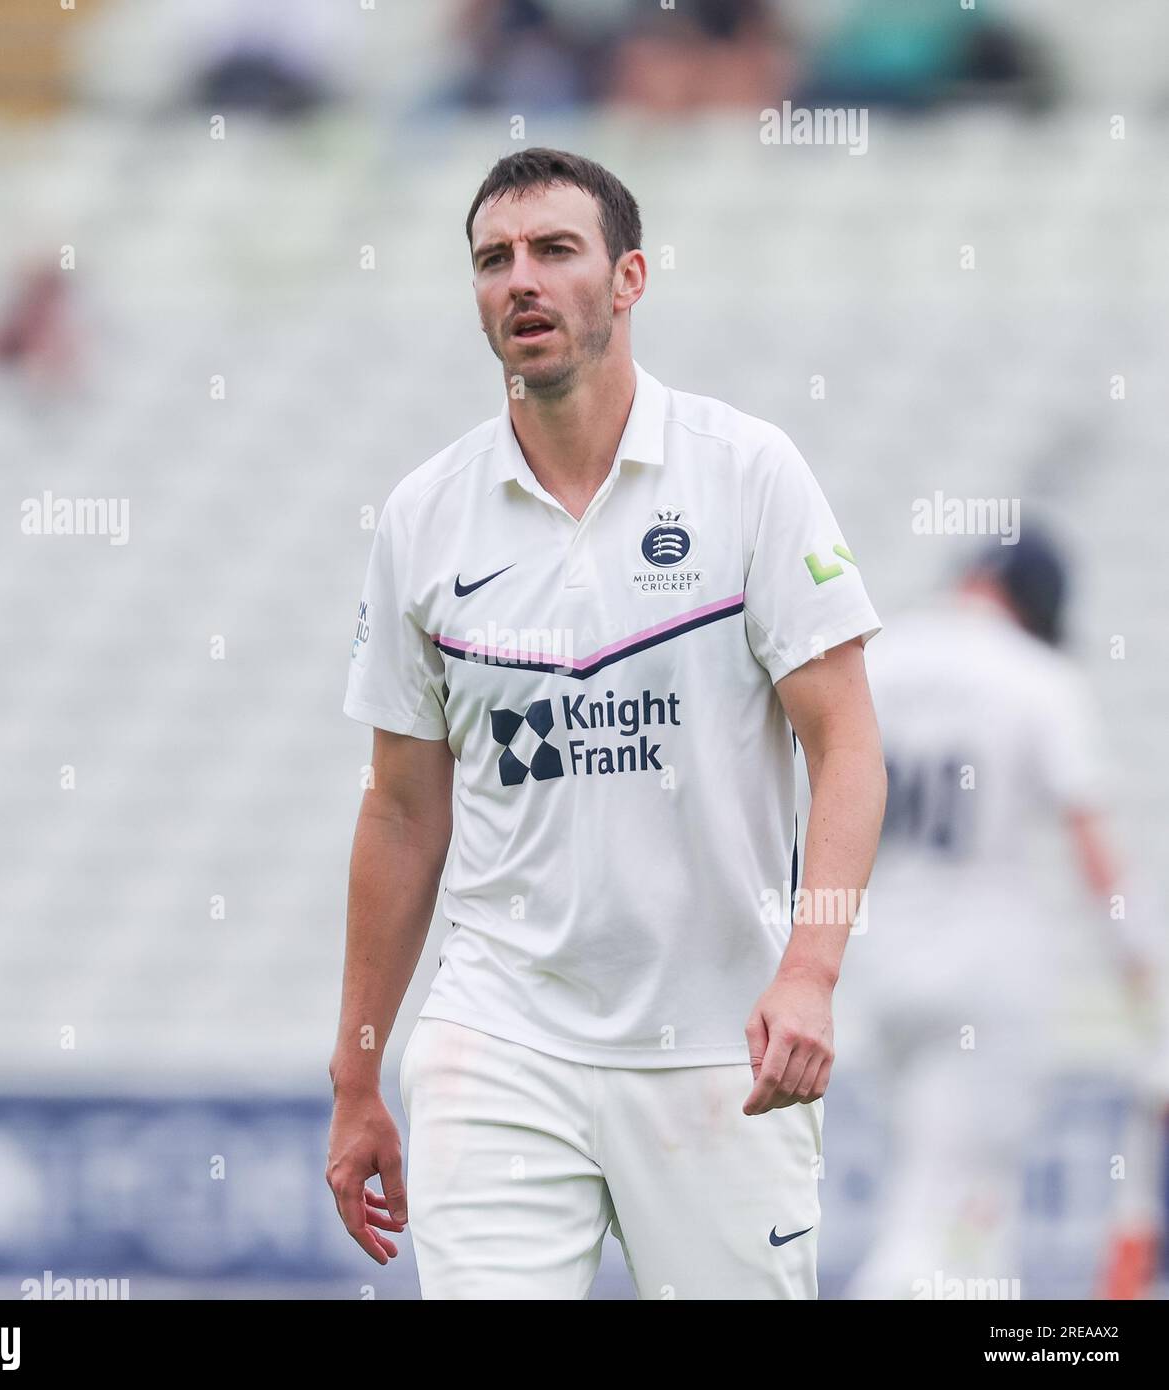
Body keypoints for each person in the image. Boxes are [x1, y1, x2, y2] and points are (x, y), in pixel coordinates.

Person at [327, 147, 887, 1299]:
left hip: (720, 1054)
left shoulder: (748, 473)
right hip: (498, 1040)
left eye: (553, 251)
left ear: (628, 278)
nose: (519, 281)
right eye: (492, 260)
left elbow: (847, 745)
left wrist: (812, 970)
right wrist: (357, 1070)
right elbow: (399, 810)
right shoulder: (423, 518)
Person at [839, 529, 1154, 1299]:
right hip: (987, 975)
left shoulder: (876, 663)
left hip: (879, 969)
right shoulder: (1036, 678)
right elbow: (1093, 849)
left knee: (937, 1200)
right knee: (954, 1217)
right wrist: (1143, 968)